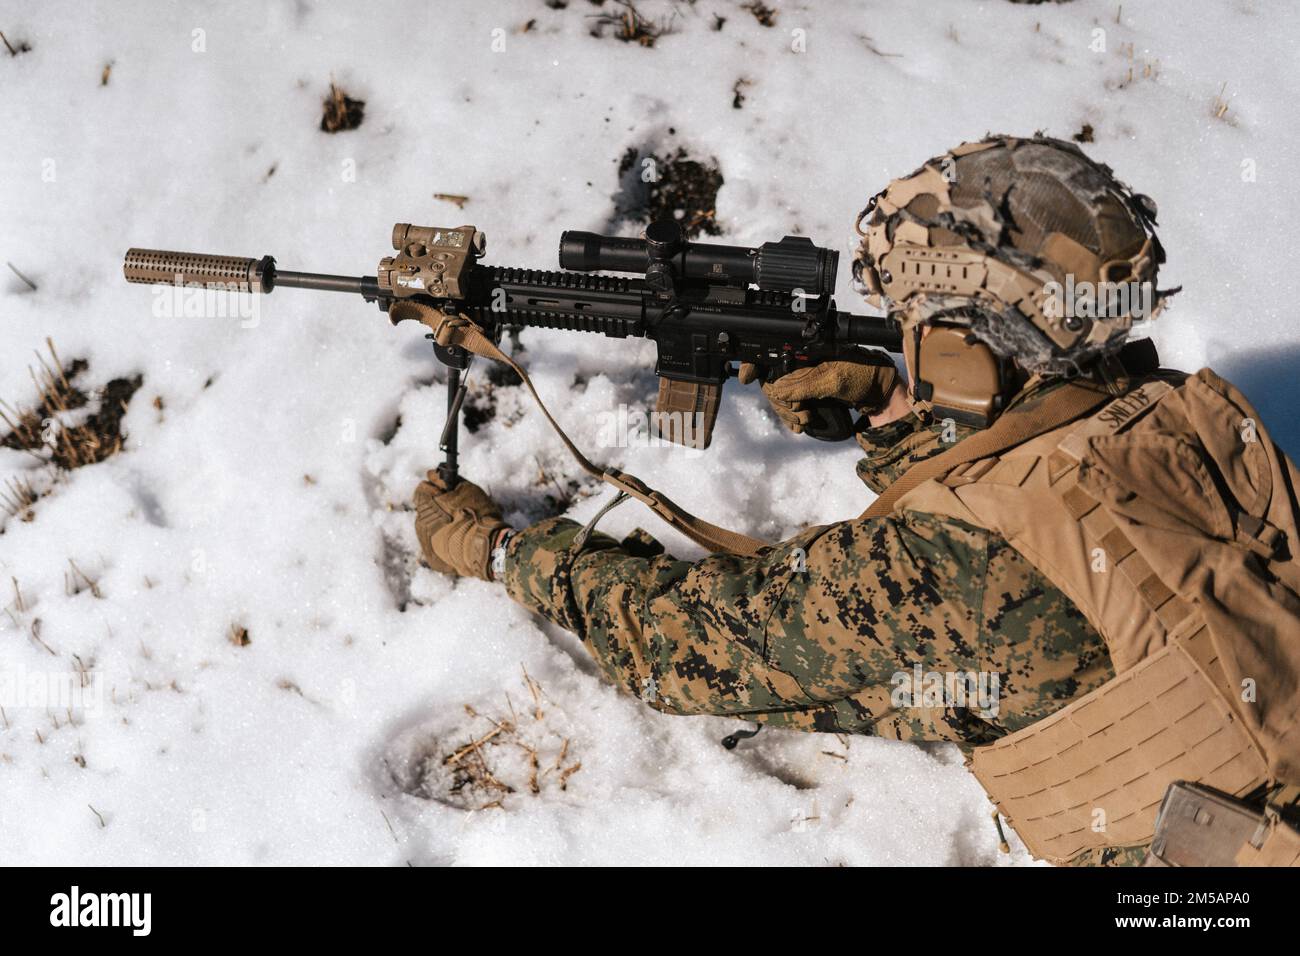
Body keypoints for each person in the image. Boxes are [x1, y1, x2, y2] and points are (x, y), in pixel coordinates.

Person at [412, 136, 1300, 866]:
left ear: (961, 353)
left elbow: (677, 646)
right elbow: (1046, 481)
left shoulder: (935, 567)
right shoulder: (1190, 420)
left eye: (916, 327)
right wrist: (895, 411)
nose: (904, 340)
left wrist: (497, 550)